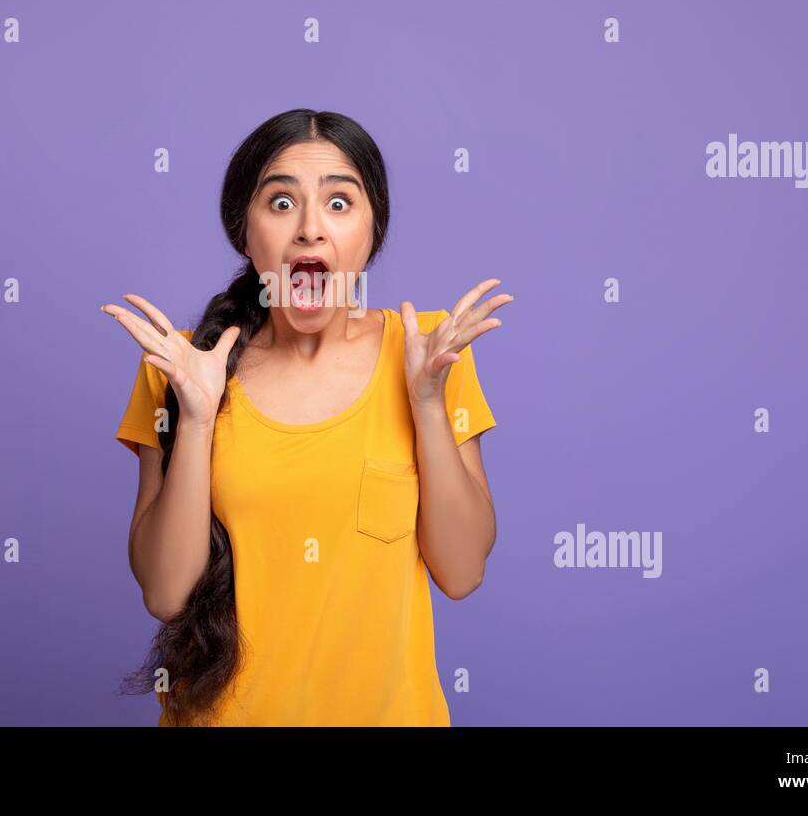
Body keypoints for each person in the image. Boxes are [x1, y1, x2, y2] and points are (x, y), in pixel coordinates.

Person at [101, 109, 511, 725]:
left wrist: (427, 404)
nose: (311, 229)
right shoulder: (184, 366)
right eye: (282, 202)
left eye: (340, 203)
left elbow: (461, 571)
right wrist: (195, 419)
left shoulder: (429, 353)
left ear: (373, 231)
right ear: (246, 231)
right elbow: (165, 593)